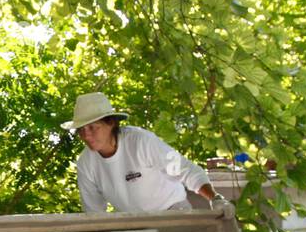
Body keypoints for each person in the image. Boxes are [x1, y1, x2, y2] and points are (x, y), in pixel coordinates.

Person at [64, 92, 233, 215]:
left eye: (93, 127)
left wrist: (216, 199)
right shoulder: (86, 163)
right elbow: (94, 212)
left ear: (111, 123)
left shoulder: (140, 141)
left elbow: (185, 170)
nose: (86, 135)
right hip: (133, 224)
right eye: (81, 130)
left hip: (174, 212)